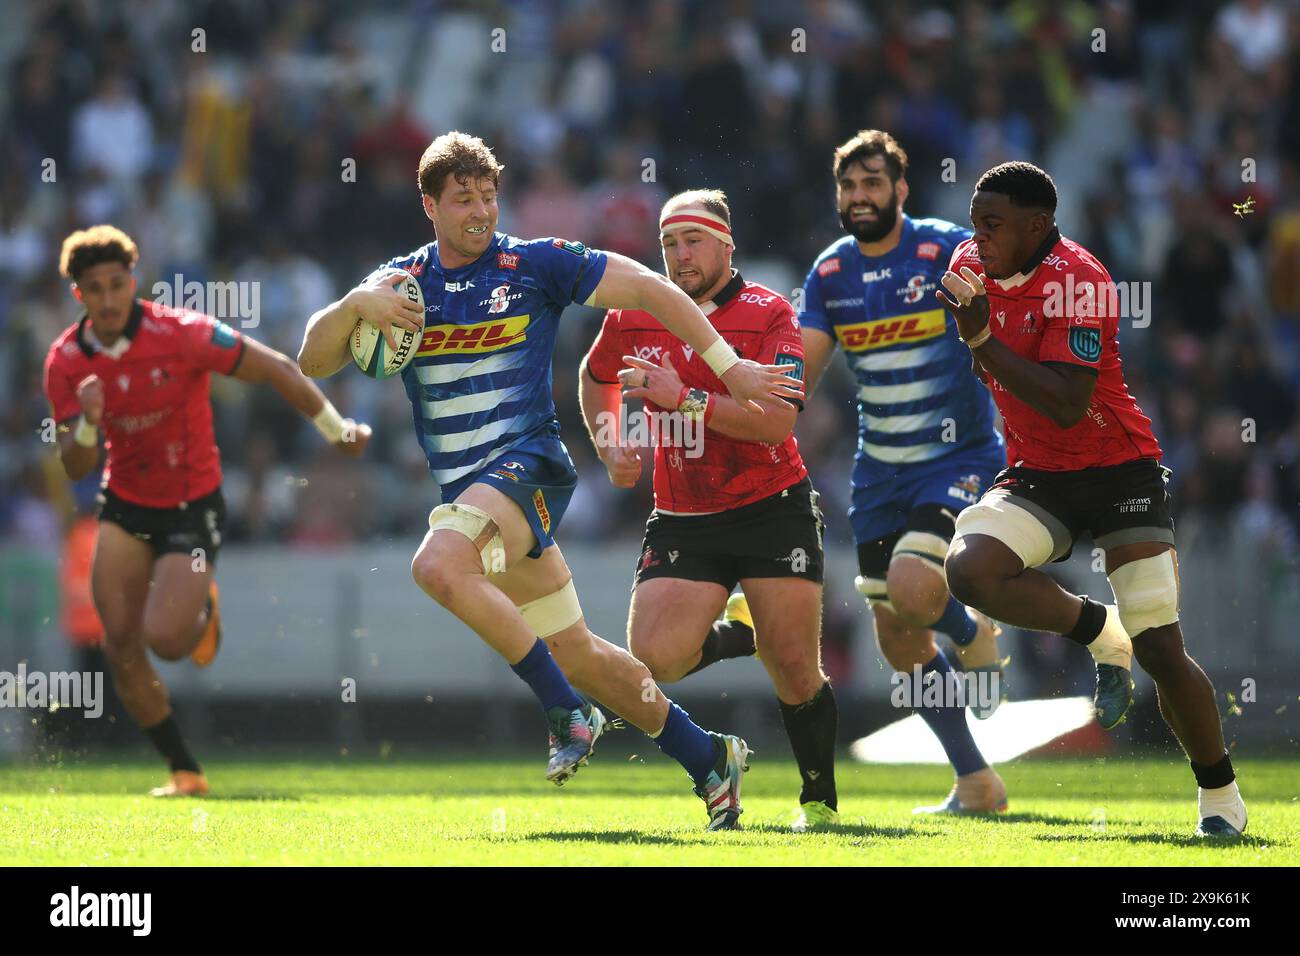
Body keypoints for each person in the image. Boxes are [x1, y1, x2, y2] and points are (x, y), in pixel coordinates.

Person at [297, 132, 802, 829]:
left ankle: (565, 711)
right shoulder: (400, 288)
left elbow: (651, 288)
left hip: (529, 467)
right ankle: (709, 757)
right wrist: (357, 303)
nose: (479, 210)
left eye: (488, 195)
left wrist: (731, 367)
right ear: (430, 206)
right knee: (582, 653)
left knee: (437, 566)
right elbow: (312, 359)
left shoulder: (536, 263)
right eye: (462, 199)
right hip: (472, 497)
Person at [937, 160, 1248, 837]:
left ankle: (1220, 796)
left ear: (1038, 225)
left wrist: (983, 338)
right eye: (975, 224)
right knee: (969, 570)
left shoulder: (1082, 280)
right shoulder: (970, 263)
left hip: (1119, 470)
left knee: (1162, 647)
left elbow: (1070, 404)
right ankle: (1097, 630)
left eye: (994, 225)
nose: (979, 238)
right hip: (1038, 473)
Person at [42, 224, 371, 796]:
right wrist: (90, 420)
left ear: (133, 281)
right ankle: (184, 771)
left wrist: (336, 430)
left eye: (117, 284)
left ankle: (202, 607)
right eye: (95, 289)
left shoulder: (182, 332)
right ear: (79, 296)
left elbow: (275, 368)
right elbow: (75, 465)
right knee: (118, 644)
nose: (109, 298)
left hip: (193, 505)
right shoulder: (66, 361)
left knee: (167, 641)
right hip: (124, 503)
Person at [580, 189, 840, 831]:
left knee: (797, 670)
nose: (679, 255)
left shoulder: (770, 313)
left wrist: (684, 397)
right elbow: (594, 376)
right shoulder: (635, 312)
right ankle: (744, 631)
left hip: (771, 508)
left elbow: (776, 423)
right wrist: (610, 445)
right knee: (656, 659)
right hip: (684, 517)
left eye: (693, 241)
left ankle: (819, 800)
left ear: (727, 244)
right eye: (669, 244)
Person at [799, 130, 1009, 814]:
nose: (860, 198)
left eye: (872, 184)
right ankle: (977, 780)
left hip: (958, 456)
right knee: (897, 637)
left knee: (916, 587)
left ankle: (976, 633)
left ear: (900, 189)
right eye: (849, 187)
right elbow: (799, 373)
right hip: (879, 473)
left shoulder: (943, 247)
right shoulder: (831, 273)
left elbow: (1002, 308)